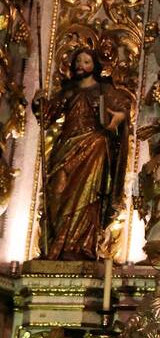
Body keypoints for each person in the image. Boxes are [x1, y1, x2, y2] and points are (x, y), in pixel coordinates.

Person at [34, 47, 130, 259]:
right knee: (57, 191)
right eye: (78, 61)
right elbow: (47, 117)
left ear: (94, 66)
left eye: (86, 61)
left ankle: (80, 246)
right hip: (67, 147)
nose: (81, 65)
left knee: (89, 196)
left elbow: (123, 108)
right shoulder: (68, 91)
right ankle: (56, 244)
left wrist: (119, 117)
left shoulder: (104, 90)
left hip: (94, 148)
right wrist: (39, 102)